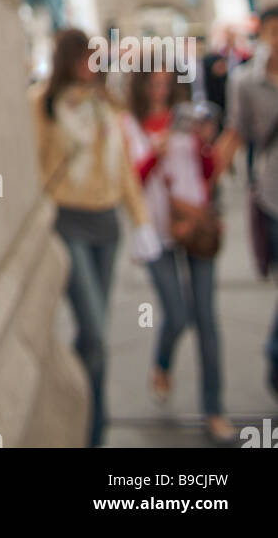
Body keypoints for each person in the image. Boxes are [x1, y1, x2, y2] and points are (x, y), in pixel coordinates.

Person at [30, 28, 157, 448]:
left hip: (107, 224)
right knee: (97, 332)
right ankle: (90, 425)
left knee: (93, 335)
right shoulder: (43, 105)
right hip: (68, 222)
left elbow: (123, 170)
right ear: (68, 59)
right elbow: (33, 167)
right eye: (85, 56)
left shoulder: (107, 107)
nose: (92, 65)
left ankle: (91, 413)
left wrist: (141, 221)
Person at [122, 65, 235, 444]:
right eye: (153, 84)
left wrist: (206, 145)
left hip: (195, 224)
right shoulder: (129, 125)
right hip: (155, 230)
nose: (160, 91)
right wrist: (154, 153)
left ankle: (214, 408)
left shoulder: (185, 120)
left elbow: (205, 172)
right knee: (177, 312)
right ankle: (163, 363)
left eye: (167, 85)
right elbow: (128, 182)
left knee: (206, 316)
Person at [215, 4, 278, 398]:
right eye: (273, 31)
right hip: (273, 195)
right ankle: (275, 353)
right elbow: (234, 134)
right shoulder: (244, 81)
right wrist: (202, 187)